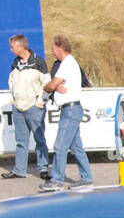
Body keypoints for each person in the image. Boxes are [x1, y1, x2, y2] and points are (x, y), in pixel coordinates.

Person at [39, 35, 94, 192]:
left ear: (59, 47)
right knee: (76, 147)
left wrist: (52, 86)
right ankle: (86, 178)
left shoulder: (66, 63)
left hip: (70, 110)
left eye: (53, 48)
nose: (51, 51)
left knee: (60, 146)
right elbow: (54, 84)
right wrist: (55, 85)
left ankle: (57, 180)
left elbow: (50, 86)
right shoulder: (70, 63)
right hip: (72, 109)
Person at [3, 34, 50, 180]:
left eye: (12, 47)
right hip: (18, 107)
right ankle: (19, 170)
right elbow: (11, 81)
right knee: (21, 141)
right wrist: (14, 100)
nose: (10, 50)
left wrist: (39, 103)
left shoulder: (38, 62)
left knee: (40, 139)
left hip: (34, 108)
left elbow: (47, 84)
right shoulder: (15, 63)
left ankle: (43, 169)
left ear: (20, 46)